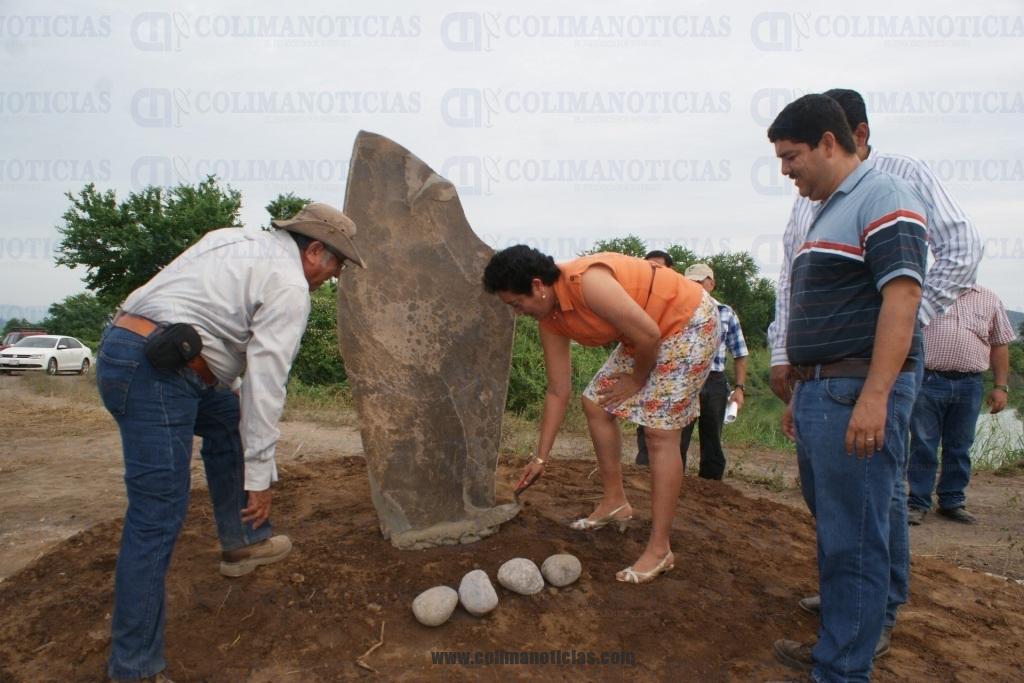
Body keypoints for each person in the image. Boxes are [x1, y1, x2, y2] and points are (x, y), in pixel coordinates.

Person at [97, 202, 365, 682]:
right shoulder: (288, 285)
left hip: (145, 354)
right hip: (156, 373)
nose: (336, 276)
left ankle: (241, 540)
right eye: (338, 264)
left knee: (225, 420)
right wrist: (259, 478)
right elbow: (267, 384)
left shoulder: (232, 239)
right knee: (156, 517)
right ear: (315, 250)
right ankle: (134, 668)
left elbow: (215, 334)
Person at [765, 87, 983, 649]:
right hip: (822, 381)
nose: (785, 170)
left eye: (791, 156)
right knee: (841, 514)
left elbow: (928, 273)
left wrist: (890, 351)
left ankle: (860, 632)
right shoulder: (818, 201)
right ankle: (851, 611)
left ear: (840, 138)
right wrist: (789, 357)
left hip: (859, 378)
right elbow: (793, 280)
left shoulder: (891, 184)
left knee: (862, 516)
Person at [483, 246, 718, 584]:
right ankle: (615, 502)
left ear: (537, 286)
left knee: (659, 434)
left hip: (688, 321)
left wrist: (636, 380)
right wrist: (540, 457)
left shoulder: (588, 283)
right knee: (596, 403)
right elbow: (557, 390)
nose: (517, 313)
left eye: (516, 305)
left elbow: (649, 334)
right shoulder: (550, 318)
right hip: (645, 332)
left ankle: (660, 549)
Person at [907, 286, 1017, 525]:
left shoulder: (989, 298)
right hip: (926, 380)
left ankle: (952, 501)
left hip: (970, 383)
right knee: (923, 444)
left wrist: (1001, 386)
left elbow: (1000, 344)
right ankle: (917, 502)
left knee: (960, 445)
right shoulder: (924, 292)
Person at [636, 263, 748, 481]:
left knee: (712, 437)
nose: (696, 285)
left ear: (711, 284)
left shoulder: (725, 312)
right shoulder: (675, 311)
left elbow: (740, 352)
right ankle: (676, 484)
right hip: (683, 379)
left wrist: (739, 388)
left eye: (700, 281)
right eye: (691, 281)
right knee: (678, 436)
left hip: (714, 380)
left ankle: (711, 487)